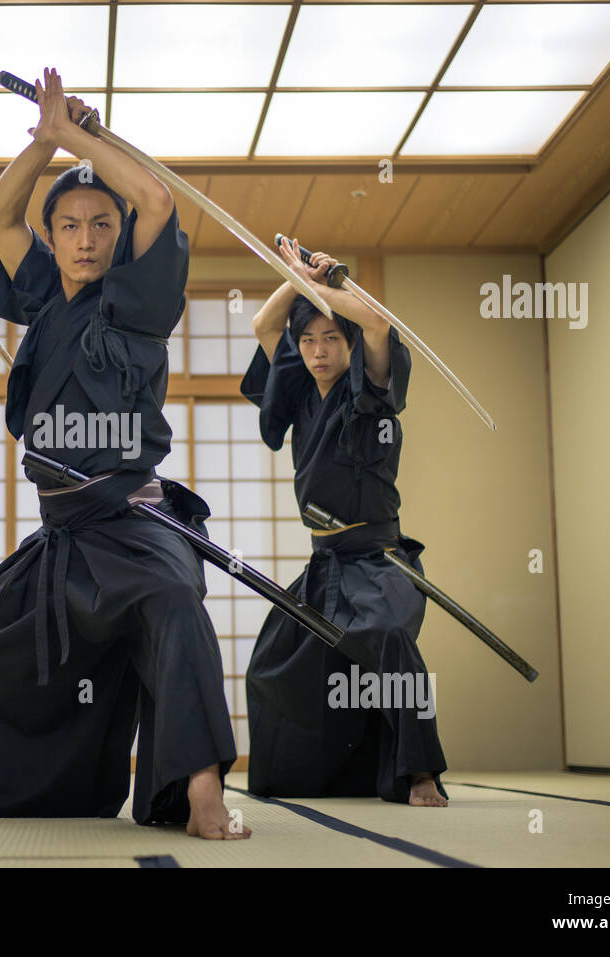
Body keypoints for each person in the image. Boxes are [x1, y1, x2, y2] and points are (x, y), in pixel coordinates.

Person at [0, 69, 246, 839]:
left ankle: (201, 790)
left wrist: (82, 139)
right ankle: (46, 782)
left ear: (119, 235)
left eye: (100, 223)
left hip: (131, 518)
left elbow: (159, 200)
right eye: (69, 224)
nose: (83, 237)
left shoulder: (138, 298)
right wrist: (47, 141)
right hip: (61, 532)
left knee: (177, 605)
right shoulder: (43, 293)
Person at [239, 239, 449, 807]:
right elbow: (264, 322)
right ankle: (308, 779)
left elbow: (377, 322)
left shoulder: (371, 393)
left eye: (330, 337)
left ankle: (420, 774)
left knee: (387, 639)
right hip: (324, 563)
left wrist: (328, 281)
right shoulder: (300, 392)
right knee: (272, 661)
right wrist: (295, 276)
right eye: (307, 340)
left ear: (348, 344)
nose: (317, 351)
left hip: (378, 560)